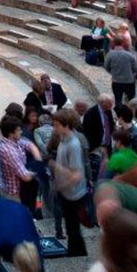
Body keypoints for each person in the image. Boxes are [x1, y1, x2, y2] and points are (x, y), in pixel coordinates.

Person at [51, 108, 88, 256]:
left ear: (66, 125)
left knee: (72, 226)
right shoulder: (63, 140)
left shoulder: (73, 144)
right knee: (71, 224)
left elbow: (77, 175)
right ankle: (76, 250)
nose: (54, 127)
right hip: (68, 191)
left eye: (57, 124)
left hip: (72, 193)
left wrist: (60, 186)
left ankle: (76, 252)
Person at [106, 39, 137, 107]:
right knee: (132, 100)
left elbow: (106, 67)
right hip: (129, 81)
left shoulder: (110, 54)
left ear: (113, 44)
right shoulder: (129, 55)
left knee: (118, 100)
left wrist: (114, 73)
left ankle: (120, 116)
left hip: (116, 81)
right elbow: (135, 68)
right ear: (123, 44)